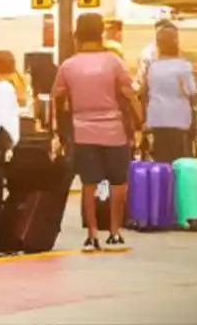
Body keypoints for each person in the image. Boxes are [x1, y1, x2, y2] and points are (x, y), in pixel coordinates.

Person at [52, 13, 142, 252]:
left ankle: (92, 235)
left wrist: (58, 132)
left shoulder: (68, 65)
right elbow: (131, 95)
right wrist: (141, 124)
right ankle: (114, 233)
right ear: (100, 32)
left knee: (89, 184)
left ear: (77, 35)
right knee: (118, 183)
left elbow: (57, 99)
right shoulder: (114, 62)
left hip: (83, 132)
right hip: (115, 131)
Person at [141, 25, 196, 163]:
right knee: (178, 159)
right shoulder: (183, 66)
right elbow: (192, 92)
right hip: (178, 117)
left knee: (160, 156)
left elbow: (145, 92)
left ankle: (161, 183)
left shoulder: (152, 67)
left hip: (157, 117)